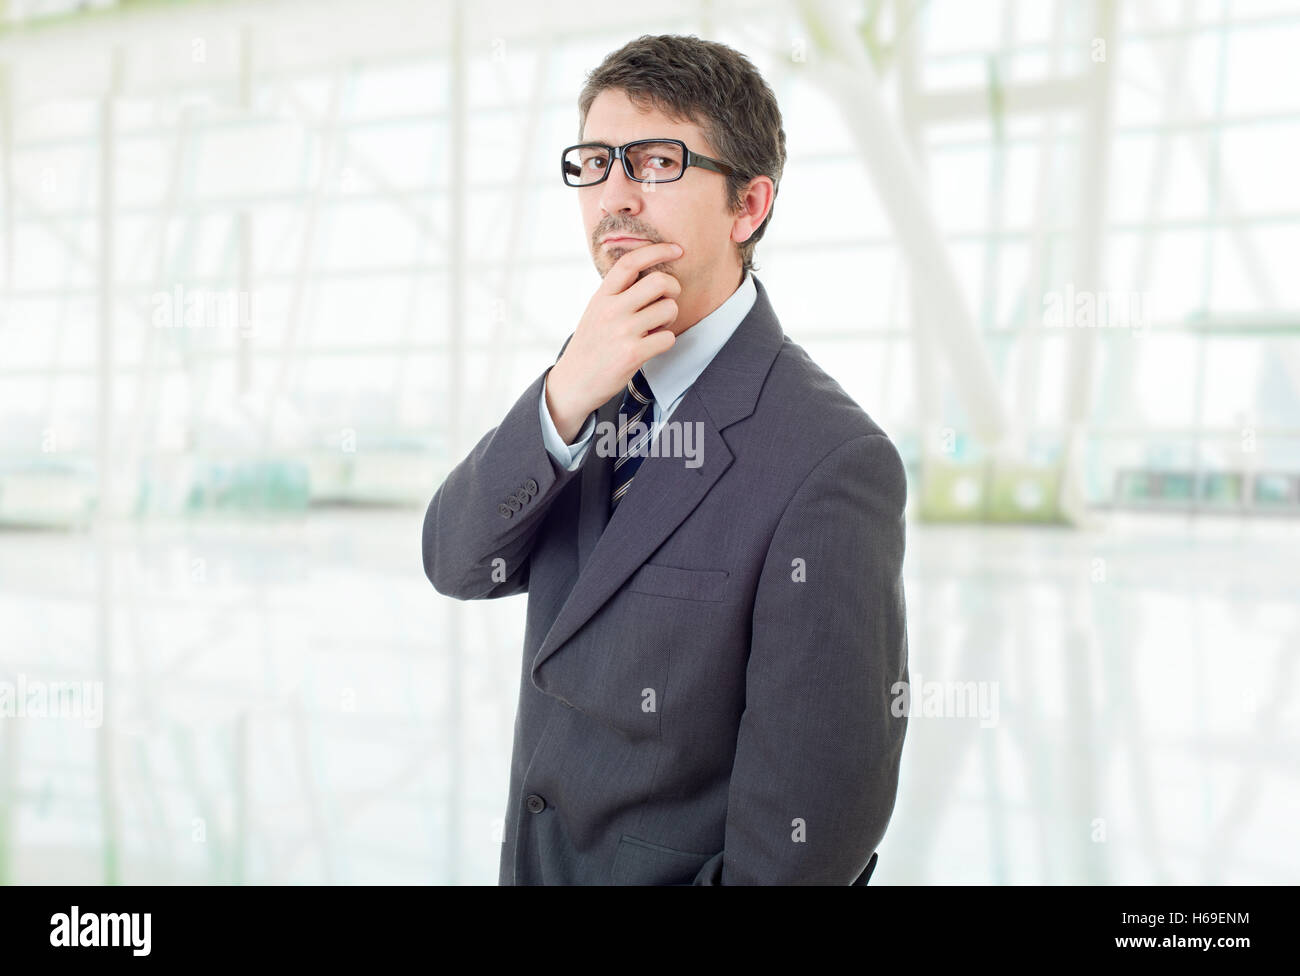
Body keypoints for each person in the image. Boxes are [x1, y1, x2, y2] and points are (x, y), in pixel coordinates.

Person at [422, 33, 909, 885]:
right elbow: (456, 562)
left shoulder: (832, 461)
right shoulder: (588, 382)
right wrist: (562, 396)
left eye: (654, 162)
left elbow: (805, 847)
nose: (614, 196)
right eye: (596, 162)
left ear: (748, 207)